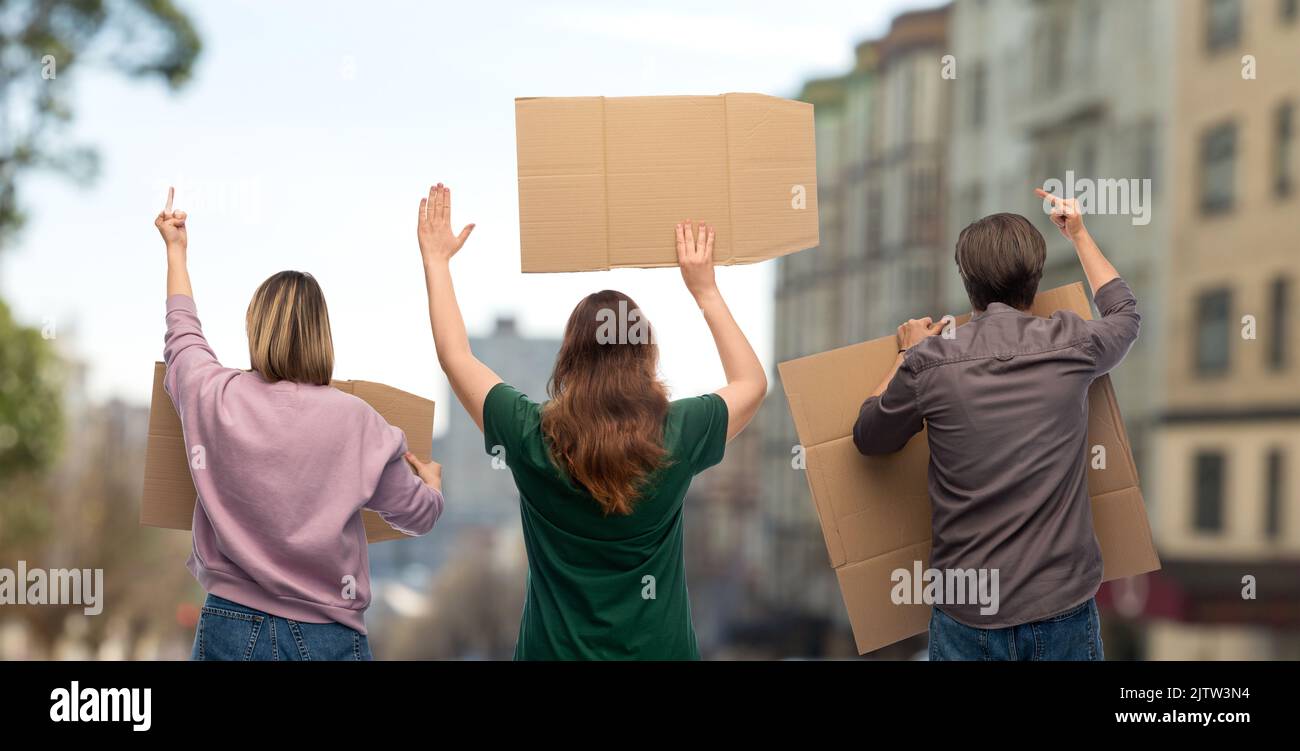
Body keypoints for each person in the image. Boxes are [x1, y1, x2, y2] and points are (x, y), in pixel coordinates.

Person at [414, 183, 766, 659]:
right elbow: (750, 382)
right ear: (644, 355)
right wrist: (704, 290)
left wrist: (437, 262)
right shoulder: (677, 433)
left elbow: (455, 356)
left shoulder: (530, 435)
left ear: (569, 358)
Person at [155, 188, 444, 661]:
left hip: (229, 624)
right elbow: (418, 516)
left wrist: (175, 250)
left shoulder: (213, 396)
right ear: (322, 335)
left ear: (256, 329)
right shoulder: (359, 423)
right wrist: (430, 489)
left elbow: (182, 334)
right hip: (329, 634)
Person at [853, 189, 1140, 661]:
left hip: (968, 615)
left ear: (968, 282)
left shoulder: (930, 363)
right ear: (1036, 277)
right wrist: (1080, 234)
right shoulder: (1072, 344)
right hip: (1063, 607)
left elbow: (869, 435)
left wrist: (907, 351)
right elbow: (1124, 313)